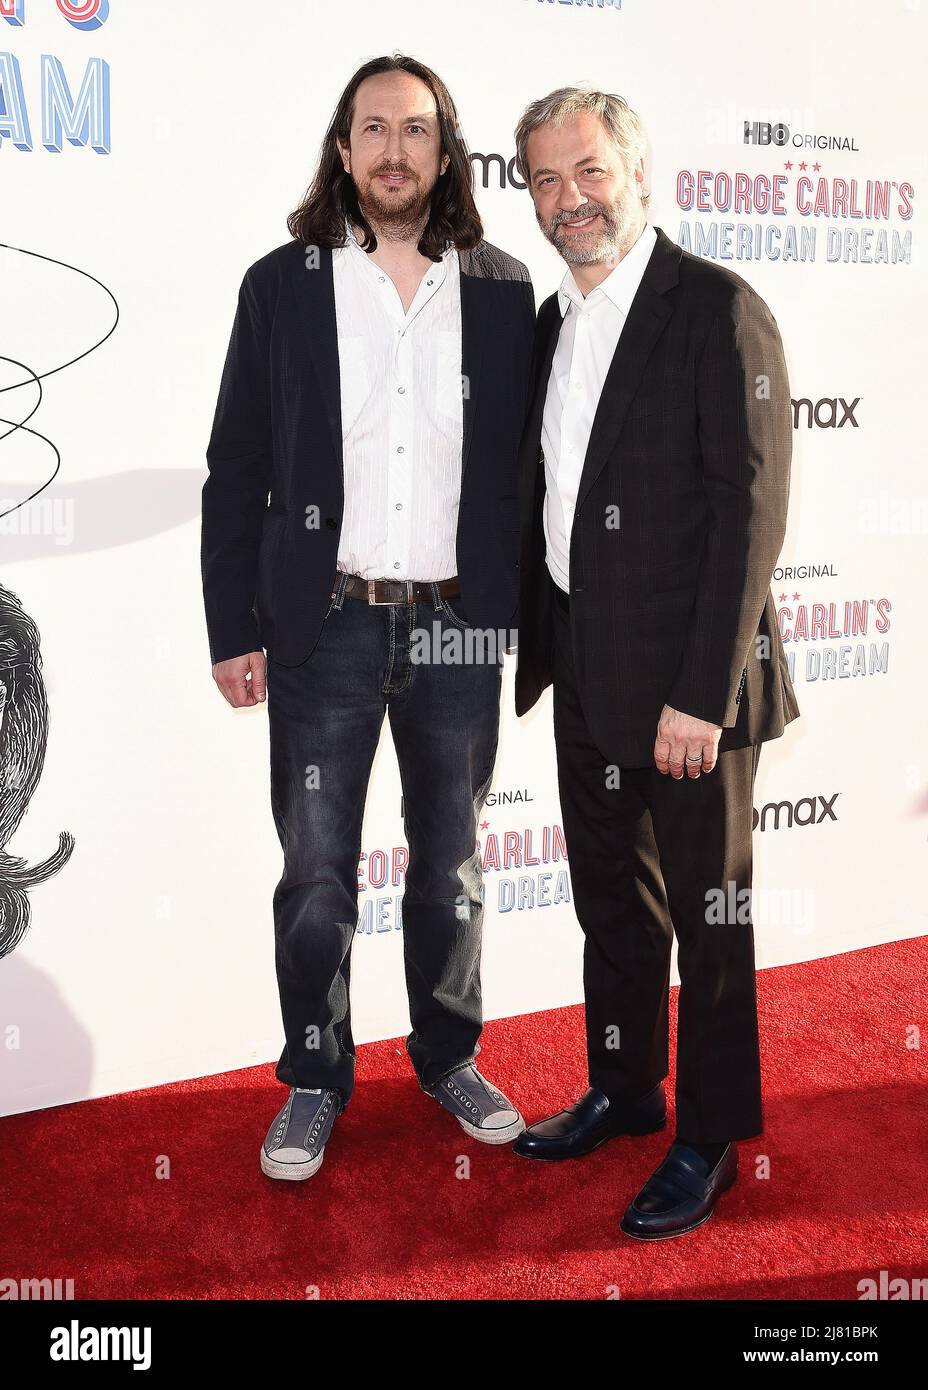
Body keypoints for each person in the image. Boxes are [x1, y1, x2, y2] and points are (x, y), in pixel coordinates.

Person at [201, 54, 535, 1181]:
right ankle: (312, 1075)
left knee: (449, 862)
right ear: (343, 150)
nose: (395, 151)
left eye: (418, 131)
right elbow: (234, 464)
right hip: (322, 623)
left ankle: (447, 1055)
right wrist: (231, 625)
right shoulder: (281, 283)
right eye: (373, 129)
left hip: (456, 629)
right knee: (316, 870)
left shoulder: (499, 287)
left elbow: (524, 477)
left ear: (447, 154)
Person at [510, 86, 799, 1239]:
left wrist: (702, 693)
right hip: (583, 662)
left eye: (585, 172)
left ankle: (712, 1135)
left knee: (709, 913)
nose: (566, 199)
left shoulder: (717, 307)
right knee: (613, 904)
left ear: (637, 174)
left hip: (690, 683)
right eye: (541, 179)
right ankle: (628, 1088)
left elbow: (749, 515)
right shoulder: (550, 323)